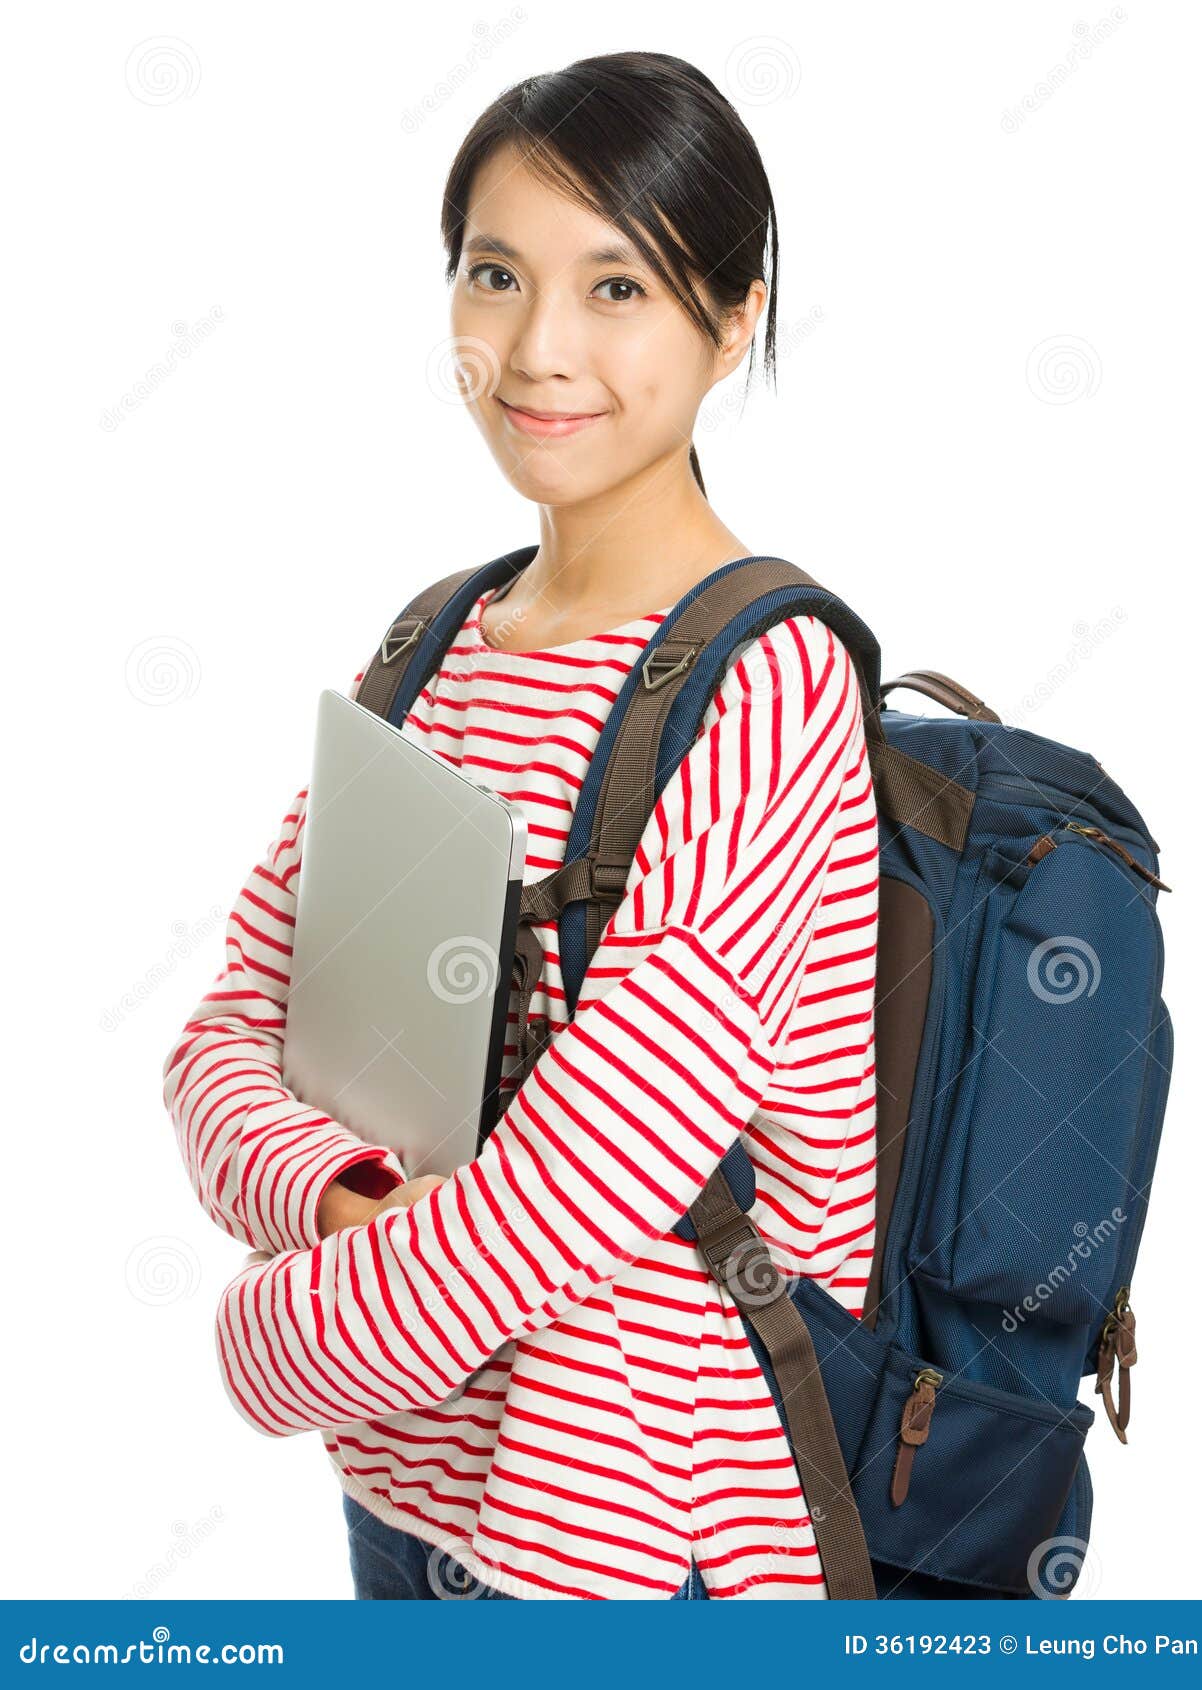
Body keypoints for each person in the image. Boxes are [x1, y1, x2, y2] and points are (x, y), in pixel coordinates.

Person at [161, 49, 878, 1601]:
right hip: (409, 1490)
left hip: (642, 1528)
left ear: (737, 313)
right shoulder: (435, 645)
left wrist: (270, 1335)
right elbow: (226, 1031)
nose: (540, 348)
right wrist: (348, 1188)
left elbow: (594, 1170)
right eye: (496, 275)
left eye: (619, 287)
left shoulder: (769, 679)